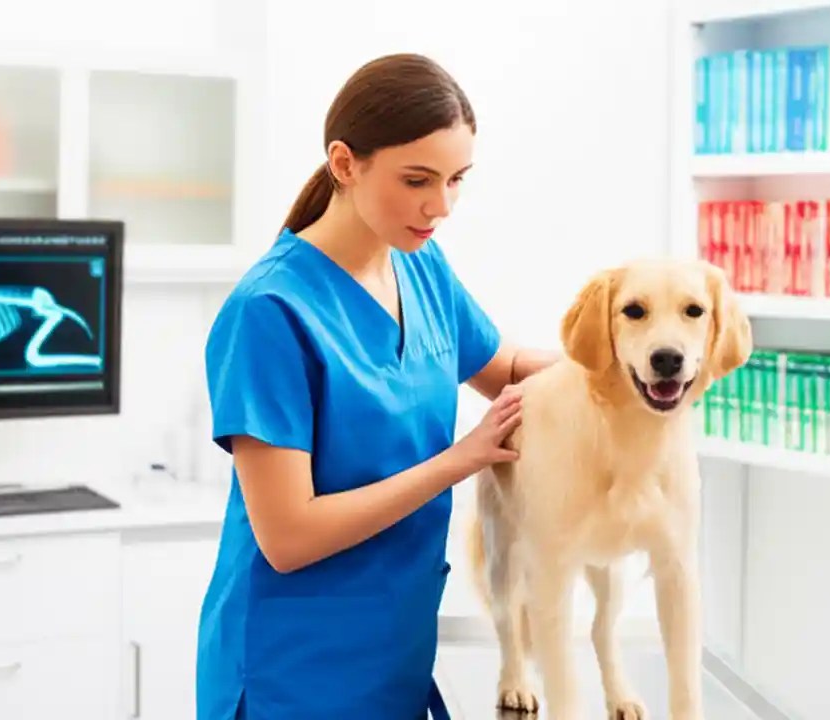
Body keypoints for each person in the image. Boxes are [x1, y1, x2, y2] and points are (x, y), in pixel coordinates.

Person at [196, 52, 561, 720]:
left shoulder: (420, 267)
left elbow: (504, 367)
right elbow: (289, 536)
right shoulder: (270, 312)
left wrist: (622, 374)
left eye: (457, 180)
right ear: (344, 164)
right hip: (292, 669)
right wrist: (460, 460)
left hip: (392, 654)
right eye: (418, 179)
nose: (441, 205)